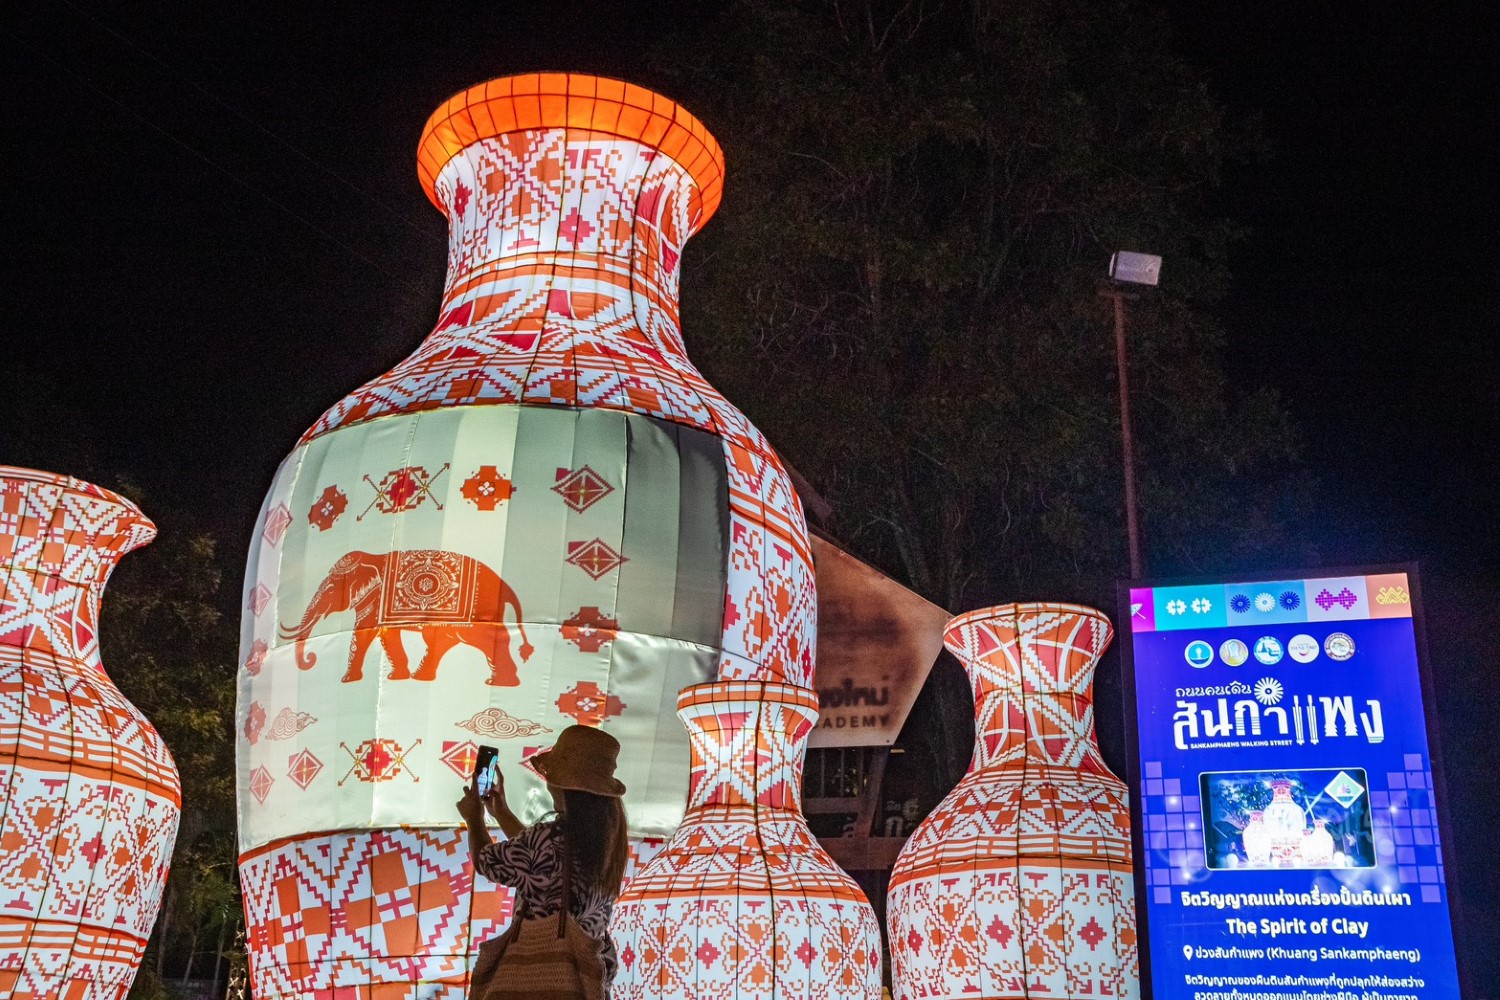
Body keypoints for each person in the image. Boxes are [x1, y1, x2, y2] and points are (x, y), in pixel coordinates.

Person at [457, 725, 629, 996]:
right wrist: (501, 813)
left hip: (538, 974)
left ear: (560, 782)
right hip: (583, 979)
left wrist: (474, 819)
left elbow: (486, 862)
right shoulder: (609, 841)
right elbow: (542, 862)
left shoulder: (549, 839)